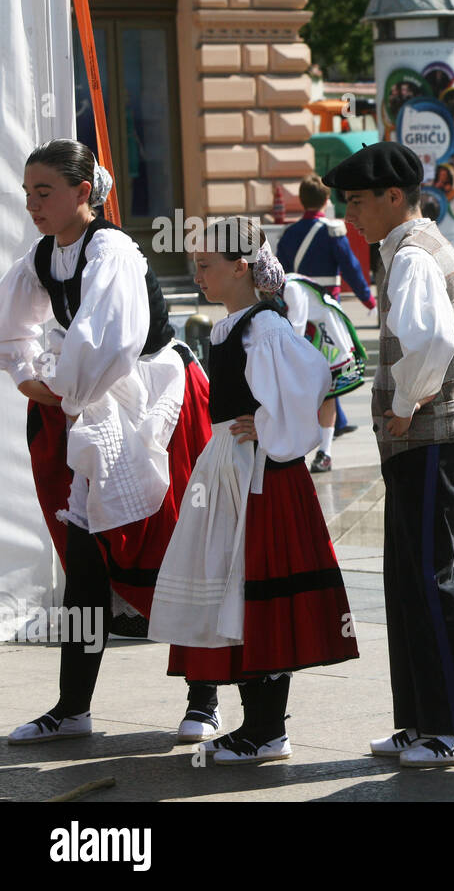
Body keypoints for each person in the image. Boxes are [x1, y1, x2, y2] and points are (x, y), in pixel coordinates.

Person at [1, 139, 218, 746]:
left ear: (82, 193)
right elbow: (10, 325)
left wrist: (59, 390)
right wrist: (31, 380)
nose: (33, 205)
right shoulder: (45, 257)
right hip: (97, 406)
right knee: (87, 560)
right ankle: (73, 706)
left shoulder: (112, 248)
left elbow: (110, 340)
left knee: (179, 545)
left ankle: (204, 698)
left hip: (156, 401)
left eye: (44, 192)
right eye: (27, 193)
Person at [148, 217, 359, 765]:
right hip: (236, 468)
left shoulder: (262, 327)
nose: (198, 275)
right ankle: (260, 725)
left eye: (205, 265)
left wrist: (267, 428)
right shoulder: (240, 324)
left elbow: (312, 377)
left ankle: (266, 728)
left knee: (255, 591)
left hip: (259, 474)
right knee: (234, 592)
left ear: (240, 266)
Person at [323, 141, 454, 768]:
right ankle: (422, 720)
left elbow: (431, 340)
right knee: (406, 578)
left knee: (429, 576)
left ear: (394, 197)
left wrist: (405, 404)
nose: (352, 216)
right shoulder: (405, 249)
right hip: (418, 440)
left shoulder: (413, 255)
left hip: (429, 437)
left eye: (359, 202)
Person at [276, 174, 375, 462]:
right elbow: (351, 267)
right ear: (326, 200)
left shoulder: (290, 233)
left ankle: (335, 423)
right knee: (331, 370)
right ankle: (327, 443)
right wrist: (367, 298)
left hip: (294, 311)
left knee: (307, 371)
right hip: (324, 313)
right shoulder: (332, 231)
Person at [281, 273, 369, 473]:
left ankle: (325, 452)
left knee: (328, 393)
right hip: (311, 334)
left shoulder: (291, 288)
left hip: (327, 333)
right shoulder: (267, 289)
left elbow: (297, 328)